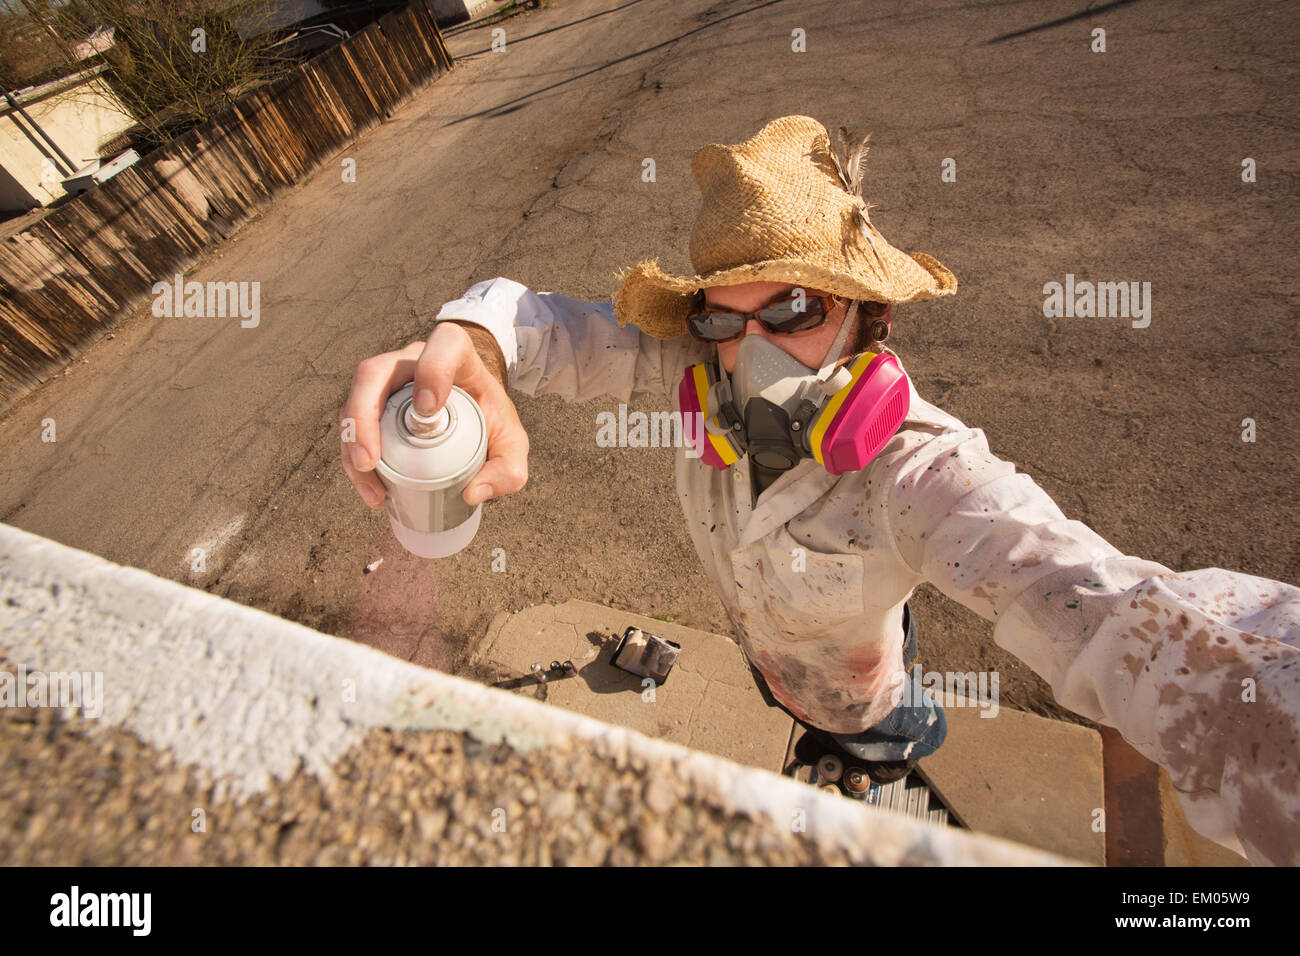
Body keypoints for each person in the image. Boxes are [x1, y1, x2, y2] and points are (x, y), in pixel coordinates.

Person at [341, 115, 1300, 866]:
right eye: (725, 316)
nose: (749, 353)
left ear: (867, 318)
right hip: (775, 659)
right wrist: (476, 344)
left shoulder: (922, 475)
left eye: (795, 308)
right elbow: (551, 327)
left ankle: (893, 750)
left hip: (864, 684)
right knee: (791, 699)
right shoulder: (696, 369)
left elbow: (1108, 606)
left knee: (889, 726)